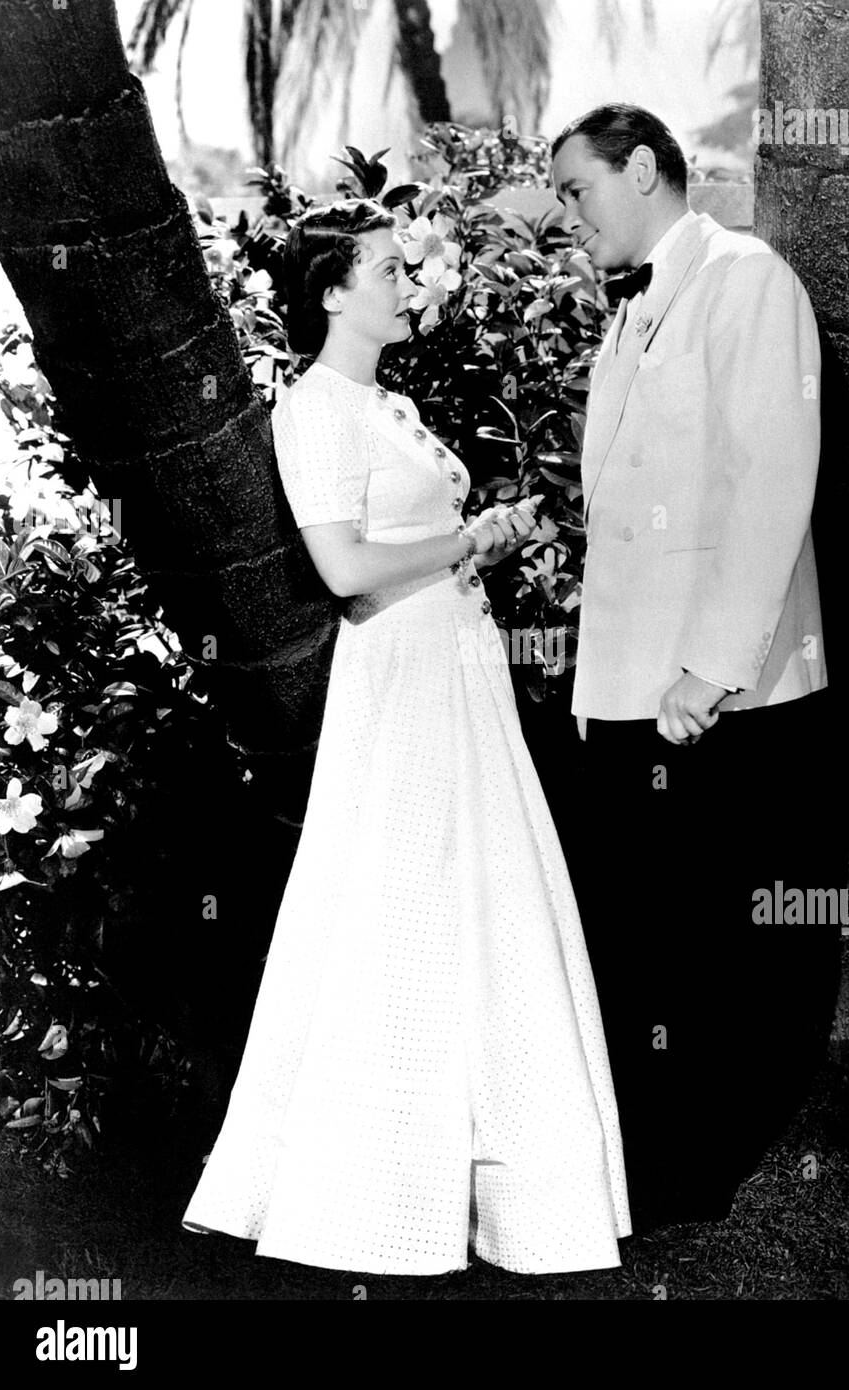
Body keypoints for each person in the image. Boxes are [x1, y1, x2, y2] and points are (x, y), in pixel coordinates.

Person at [180, 199, 630, 1276]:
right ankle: (372, 1190)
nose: (404, 282)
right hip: (402, 678)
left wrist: (485, 539)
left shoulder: (386, 403)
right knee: (400, 905)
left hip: (457, 667)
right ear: (331, 291)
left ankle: (519, 1193)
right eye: (384, 268)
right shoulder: (314, 410)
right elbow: (344, 573)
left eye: (403, 265)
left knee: (490, 901)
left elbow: (417, 546)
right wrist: (466, 536)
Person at [551, 105, 844, 1232]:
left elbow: (775, 480)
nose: (567, 218)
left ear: (642, 169)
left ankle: (696, 1166)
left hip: (719, 699)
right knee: (650, 935)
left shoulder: (746, 279)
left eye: (576, 192)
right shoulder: (631, 313)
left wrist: (708, 671)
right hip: (633, 694)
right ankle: (653, 1156)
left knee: (721, 947)